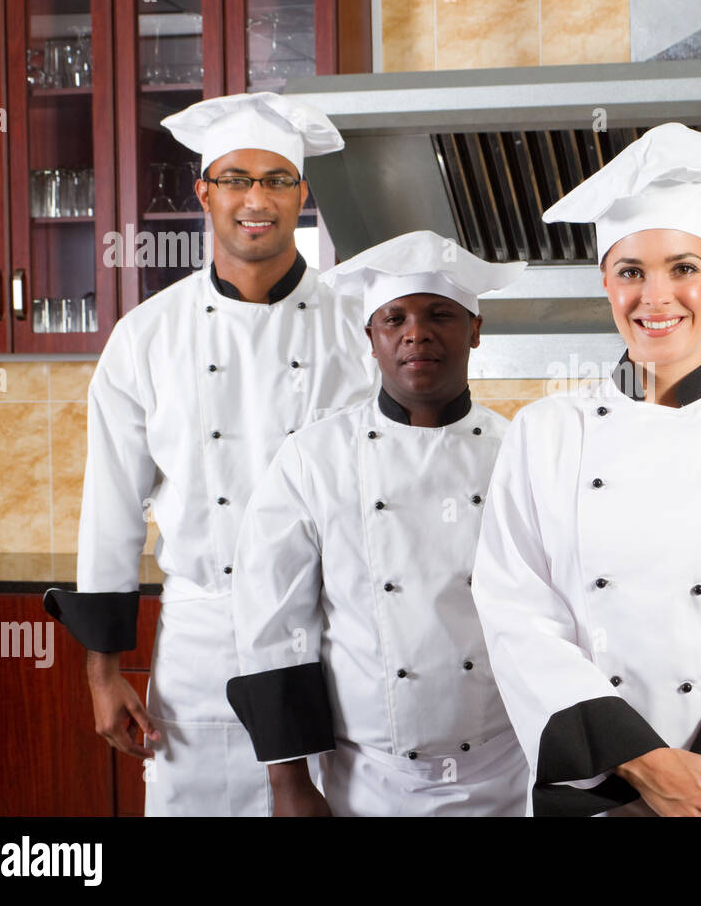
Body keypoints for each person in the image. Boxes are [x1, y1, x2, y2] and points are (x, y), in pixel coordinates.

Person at [472, 122, 701, 817]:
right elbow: (517, 617)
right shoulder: (544, 434)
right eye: (632, 271)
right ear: (605, 281)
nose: (656, 297)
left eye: (684, 268)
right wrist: (648, 771)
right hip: (598, 788)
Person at [44, 92, 376, 816]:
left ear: (301, 194)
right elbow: (110, 513)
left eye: (277, 180)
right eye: (236, 179)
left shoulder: (361, 329)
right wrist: (102, 673)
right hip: (202, 644)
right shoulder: (147, 337)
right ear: (204, 192)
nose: (256, 199)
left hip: (336, 638)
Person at [225, 230, 530, 816]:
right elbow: (272, 621)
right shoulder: (314, 459)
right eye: (395, 319)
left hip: (506, 771)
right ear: (372, 338)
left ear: (475, 329)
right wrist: (289, 784)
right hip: (369, 780)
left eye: (440, 314)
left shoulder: (519, 452)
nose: (417, 332)